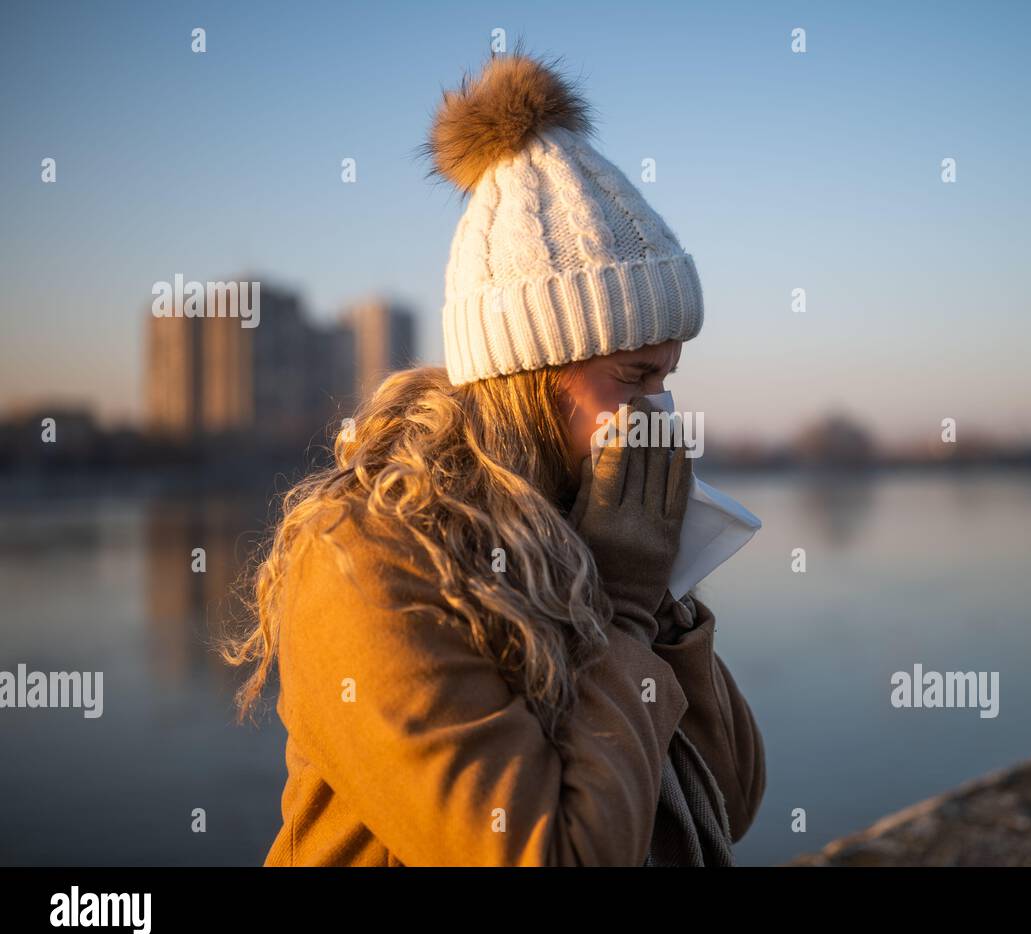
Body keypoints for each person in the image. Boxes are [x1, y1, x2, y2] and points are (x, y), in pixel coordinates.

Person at [221, 48, 765, 866]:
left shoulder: (583, 525)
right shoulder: (369, 557)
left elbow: (732, 798)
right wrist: (620, 604)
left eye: (667, 378)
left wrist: (667, 602)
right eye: (634, 377)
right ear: (530, 373)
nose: (658, 414)